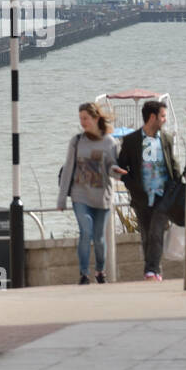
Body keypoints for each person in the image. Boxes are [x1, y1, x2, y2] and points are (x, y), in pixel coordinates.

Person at [113, 99, 178, 282]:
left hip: (163, 196)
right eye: (163, 116)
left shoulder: (166, 139)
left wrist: (178, 186)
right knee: (147, 236)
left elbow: (173, 164)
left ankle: (151, 271)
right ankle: (155, 271)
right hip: (141, 197)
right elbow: (121, 166)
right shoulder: (132, 141)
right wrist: (130, 183)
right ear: (152, 117)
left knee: (157, 232)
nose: (165, 120)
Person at [56, 102, 119, 285]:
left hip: (102, 197)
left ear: (96, 118)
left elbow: (113, 169)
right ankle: (84, 274)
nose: (83, 122)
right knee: (86, 231)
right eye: (80, 119)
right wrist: (62, 199)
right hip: (80, 195)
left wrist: (118, 172)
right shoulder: (77, 141)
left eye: (86, 118)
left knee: (99, 238)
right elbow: (68, 169)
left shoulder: (110, 142)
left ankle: (100, 271)